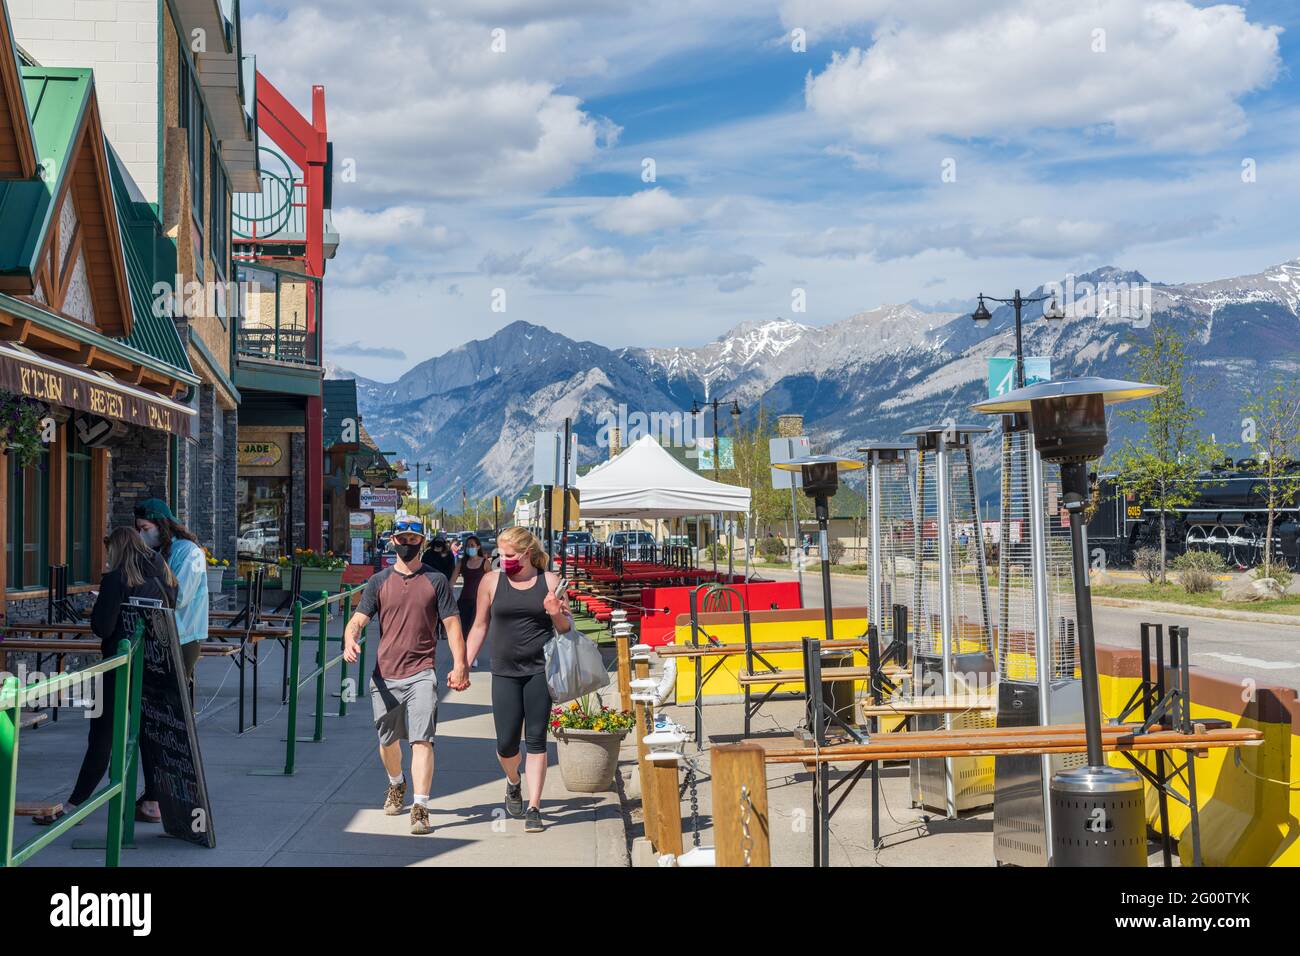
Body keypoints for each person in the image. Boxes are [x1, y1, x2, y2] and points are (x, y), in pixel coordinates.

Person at [35, 528, 178, 827]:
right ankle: (154, 802)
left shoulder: (116, 579)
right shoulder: (164, 577)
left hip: (116, 665)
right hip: (155, 666)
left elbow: (102, 626)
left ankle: (77, 804)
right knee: (150, 736)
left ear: (117, 549)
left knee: (101, 735)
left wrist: (101, 604)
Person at [343, 517, 468, 835]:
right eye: (402, 538)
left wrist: (460, 663)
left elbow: (452, 624)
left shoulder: (437, 580)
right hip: (385, 675)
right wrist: (349, 639)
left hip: (422, 673)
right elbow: (358, 618)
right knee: (387, 742)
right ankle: (396, 783)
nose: (408, 543)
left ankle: (421, 807)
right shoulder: (379, 581)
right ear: (393, 541)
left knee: (422, 740)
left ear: (422, 542)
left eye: (414, 538)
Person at [464, 527, 572, 833]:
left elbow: (566, 629)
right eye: (500, 554)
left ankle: (535, 807)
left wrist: (555, 613)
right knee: (506, 743)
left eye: (509, 555)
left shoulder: (548, 582)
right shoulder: (491, 581)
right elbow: (479, 626)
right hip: (504, 672)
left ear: (526, 553)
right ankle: (513, 781)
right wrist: (464, 663)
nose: (503, 560)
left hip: (540, 670)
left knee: (537, 740)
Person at [133, 498, 207, 684]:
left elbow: (179, 596)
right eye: (138, 529)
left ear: (161, 525)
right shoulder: (155, 551)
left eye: (145, 528)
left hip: (183, 634)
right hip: (156, 633)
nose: (141, 534)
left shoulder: (189, 551)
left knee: (174, 697)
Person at [449, 534, 490, 662]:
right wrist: (448, 593)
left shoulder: (485, 562)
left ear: (478, 546)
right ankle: (465, 654)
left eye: (472, 545)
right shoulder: (462, 563)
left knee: (475, 628)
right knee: (464, 629)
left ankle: (472, 656)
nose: (470, 548)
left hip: (480, 601)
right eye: (467, 546)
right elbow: (452, 581)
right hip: (464, 600)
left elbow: (491, 581)